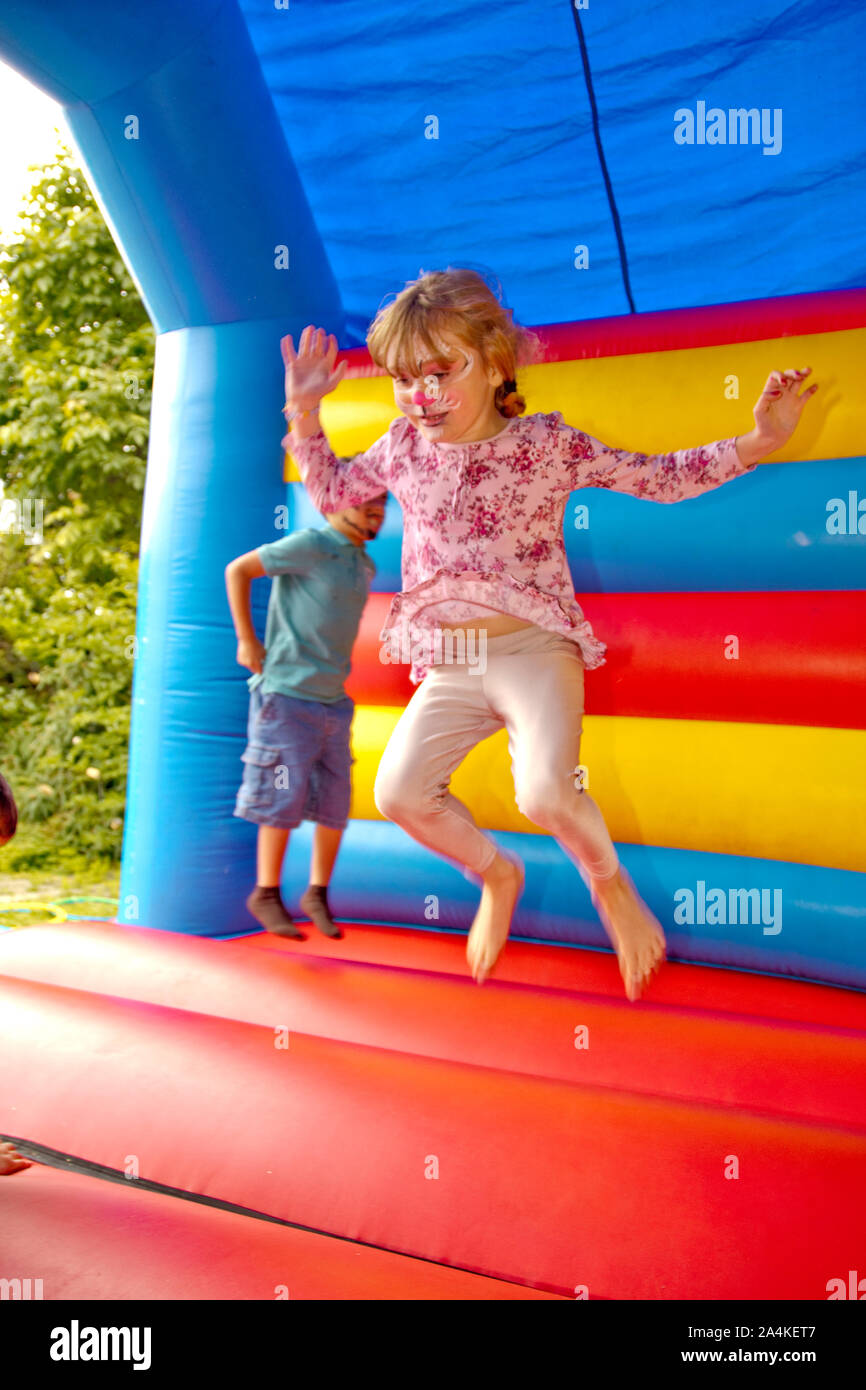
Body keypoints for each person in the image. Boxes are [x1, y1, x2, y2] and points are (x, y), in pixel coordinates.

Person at [279, 267, 817, 997]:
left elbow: (655, 477)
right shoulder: (403, 446)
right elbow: (338, 492)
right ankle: (498, 874)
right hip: (453, 660)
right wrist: (304, 414)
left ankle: (612, 887)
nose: (422, 396)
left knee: (544, 794)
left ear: (495, 361)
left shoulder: (543, 444)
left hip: (534, 648)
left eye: (442, 373)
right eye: (406, 379)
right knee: (399, 794)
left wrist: (755, 442)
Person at [226, 490, 387, 938]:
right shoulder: (310, 545)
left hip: (333, 700)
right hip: (288, 695)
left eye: (381, 503)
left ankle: (317, 892)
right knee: (281, 794)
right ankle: (266, 891)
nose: (376, 510)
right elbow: (238, 569)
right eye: (364, 502)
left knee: (336, 802)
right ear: (335, 504)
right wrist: (247, 640)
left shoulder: (364, 564)